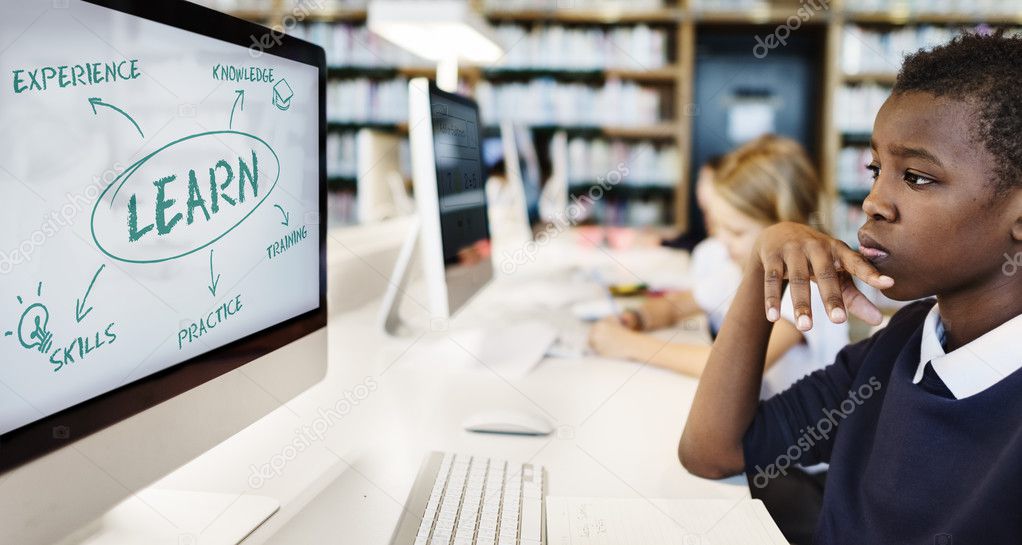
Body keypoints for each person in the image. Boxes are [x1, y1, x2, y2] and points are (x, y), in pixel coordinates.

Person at [679, 32, 1022, 544]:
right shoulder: (904, 342)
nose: (874, 202)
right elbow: (714, 452)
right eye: (877, 170)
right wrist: (761, 264)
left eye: (918, 177)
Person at [588, 135, 847, 401]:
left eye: (735, 231)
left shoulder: (807, 289)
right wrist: (637, 318)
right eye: (718, 226)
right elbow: (677, 305)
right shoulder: (738, 269)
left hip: (801, 434)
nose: (721, 241)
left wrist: (629, 345)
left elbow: (730, 369)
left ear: (784, 227)